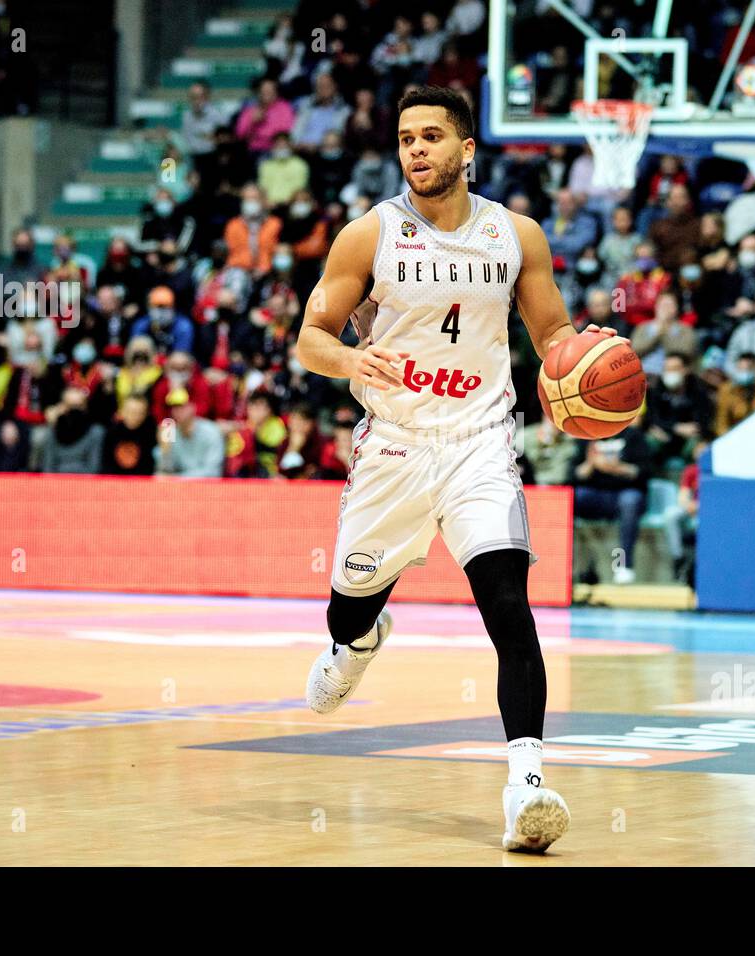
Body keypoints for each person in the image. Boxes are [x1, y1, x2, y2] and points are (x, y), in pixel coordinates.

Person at [295, 86, 626, 853]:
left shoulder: (517, 236)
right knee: (347, 608)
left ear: (467, 150)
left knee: (508, 601)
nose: (417, 149)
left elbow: (552, 335)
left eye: (433, 136)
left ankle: (527, 786)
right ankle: (359, 641)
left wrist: (586, 360)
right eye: (407, 137)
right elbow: (309, 340)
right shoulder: (366, 235)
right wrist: (349, 356)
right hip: (395, 449)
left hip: (480, 441)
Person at [568, 404, 654, 586]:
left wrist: (618, 469)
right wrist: (591, 464)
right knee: (571, 499)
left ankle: (623, 565)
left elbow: (645, 472)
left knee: (630, 501)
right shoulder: (587, 435)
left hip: (625, 493)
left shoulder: (633, 436)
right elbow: (574, 475)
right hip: (595, 494)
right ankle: (573, 567)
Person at [154, 387, 224, 477]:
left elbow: (213, 473)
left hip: (208, 488)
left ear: (192, 407)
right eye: (174, 408)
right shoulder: (171, 433)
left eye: (181, 406)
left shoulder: (211, 432)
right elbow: (164, 471)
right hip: (181, 488)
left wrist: (177, 479)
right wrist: (164, 450)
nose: (177, 411)